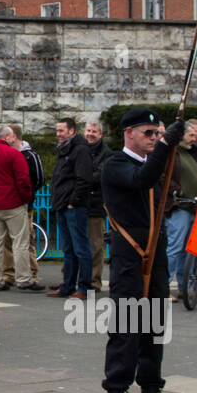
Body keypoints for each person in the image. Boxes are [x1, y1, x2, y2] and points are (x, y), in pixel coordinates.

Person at [101, 108, 189, 393]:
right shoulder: (115, 165)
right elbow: (142, 179)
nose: (153, 138)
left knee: (154, 328)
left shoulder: (152, 161)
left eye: (156, 133)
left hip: (156, 255)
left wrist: (173, 145)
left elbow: (164, 174)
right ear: (129, 134)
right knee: (126, 329)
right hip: (129, 258)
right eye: (147, 133)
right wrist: (166, 144)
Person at [0, 125, 33, 291]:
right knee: (20, 242)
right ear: (6, 137)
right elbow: (23, 181)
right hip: (13, 204)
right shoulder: (14, 154)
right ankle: (23, 278)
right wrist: (25, 199)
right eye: (11, 136)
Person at [49, 118, 94, 298]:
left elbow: (84, 179)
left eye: (61, 130)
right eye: (57, 130)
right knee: (68, 248)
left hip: (73, 206)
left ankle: (84, 287)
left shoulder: (80, 150)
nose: (58, 134)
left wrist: (73, 202)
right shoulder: (65, 149)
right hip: (63, 204)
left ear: (71, 131)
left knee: (80, 248)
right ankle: (68, 285)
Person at [165, 119, 197, 300]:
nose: (194, 138)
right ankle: (163, 287)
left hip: (192, 207)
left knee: (187, 250)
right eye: (190, 135)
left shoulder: (191, 153)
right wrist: (177, 190)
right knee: (174, 247)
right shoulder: (172, 153)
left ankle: (185, 286)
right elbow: (164, 175)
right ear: (181, 137)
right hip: (180, 206)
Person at [11, 123, 45, 288]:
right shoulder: (8, 154)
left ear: (15, 136)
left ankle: (32, 272)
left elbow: (38, 179)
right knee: (9, 242)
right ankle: (10, 273)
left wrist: (28, 196)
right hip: (10, 204)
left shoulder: (30, 156)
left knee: (26, 239)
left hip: (25, 204)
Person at [85, 120, 111, 291]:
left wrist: (82, 177)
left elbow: (98, 176)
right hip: (80, 203)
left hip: (95, 205)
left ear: (100, 134)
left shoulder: (106, 154)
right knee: (76, 245)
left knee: (95, 246)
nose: (90, 134)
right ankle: (76, 279)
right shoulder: (80, 150)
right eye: (88, 130)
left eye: (94, 131)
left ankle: (94, 281)